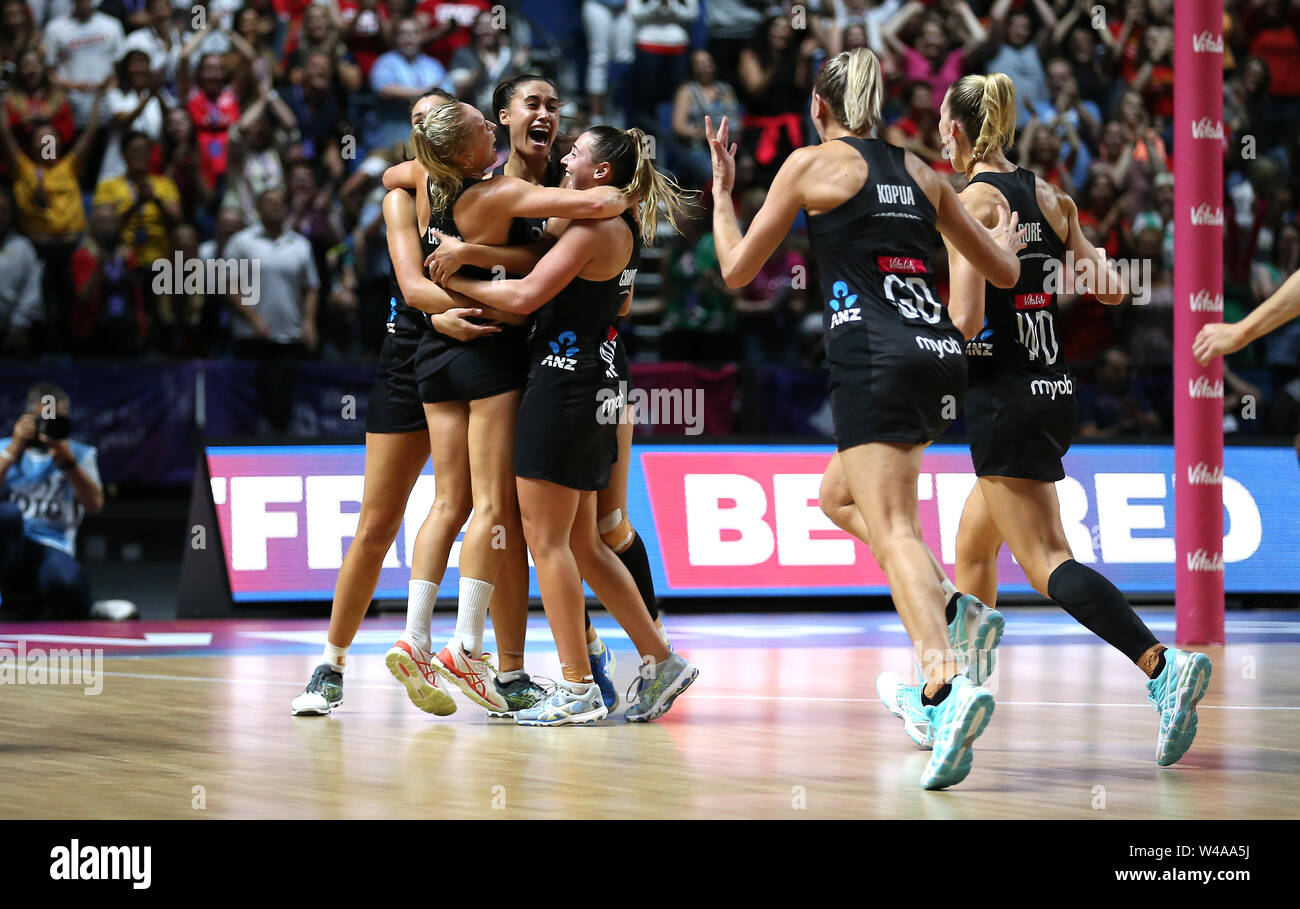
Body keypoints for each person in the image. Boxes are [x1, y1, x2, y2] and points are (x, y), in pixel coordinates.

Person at [704, 48, 1023, 788]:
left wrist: (723, 194)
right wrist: (1002, 247)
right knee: (835, 497)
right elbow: (1002, 274)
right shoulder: (921, 171)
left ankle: (943, 684)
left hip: (873, 353)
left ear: (820, 109)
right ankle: (950, 605)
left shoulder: (810, 166)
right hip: (942, 354)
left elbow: (736, 272)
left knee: (895, 528)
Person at [918, 72, 1211, 768]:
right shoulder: (1050, 196)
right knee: (973, 550)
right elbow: (1110, 288)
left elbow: (962, 319)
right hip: (1053, 386)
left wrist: (911, 339)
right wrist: (1065, 243)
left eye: (940, 129)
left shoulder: (973, 202)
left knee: (1048, 559)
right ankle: (957, 698)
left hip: (1005, 394)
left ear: (957, 130)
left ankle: (1161, 666)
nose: (939, 141)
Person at [421, 74, 671, 714]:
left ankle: (577, 680)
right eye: (533, 104)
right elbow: (605, 285)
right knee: (580, 536)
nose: (553, 132)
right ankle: (652, 659)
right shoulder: (561, 202)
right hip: (595, 372)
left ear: (599, 167)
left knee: (562, 537)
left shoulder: (581, 209)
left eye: (556, 110)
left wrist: (461, 279)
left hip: (568, 377)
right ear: (501, 119)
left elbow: (530, 288)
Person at [292, 90, 457, 717]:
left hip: (472, 363)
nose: (424, 128)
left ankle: (471, 657)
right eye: (414, 121)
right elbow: (415, 289)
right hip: (410, 359)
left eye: (434, 118)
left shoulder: (486, 190)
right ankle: (330, 666)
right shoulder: (400, 194)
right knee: (376, 524)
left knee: (486, 513)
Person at [0, 383, 134, 621]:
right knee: (8, 514)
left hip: (52, 547)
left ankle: (90, 607)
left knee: (65, 580)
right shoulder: (4, 448)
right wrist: (13, 448)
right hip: (10, 547)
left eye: (56, 419)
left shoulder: (81, 454)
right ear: (27, 418)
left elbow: (95, 505)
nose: (48, 426)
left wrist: (68, 462)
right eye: (42, 419)